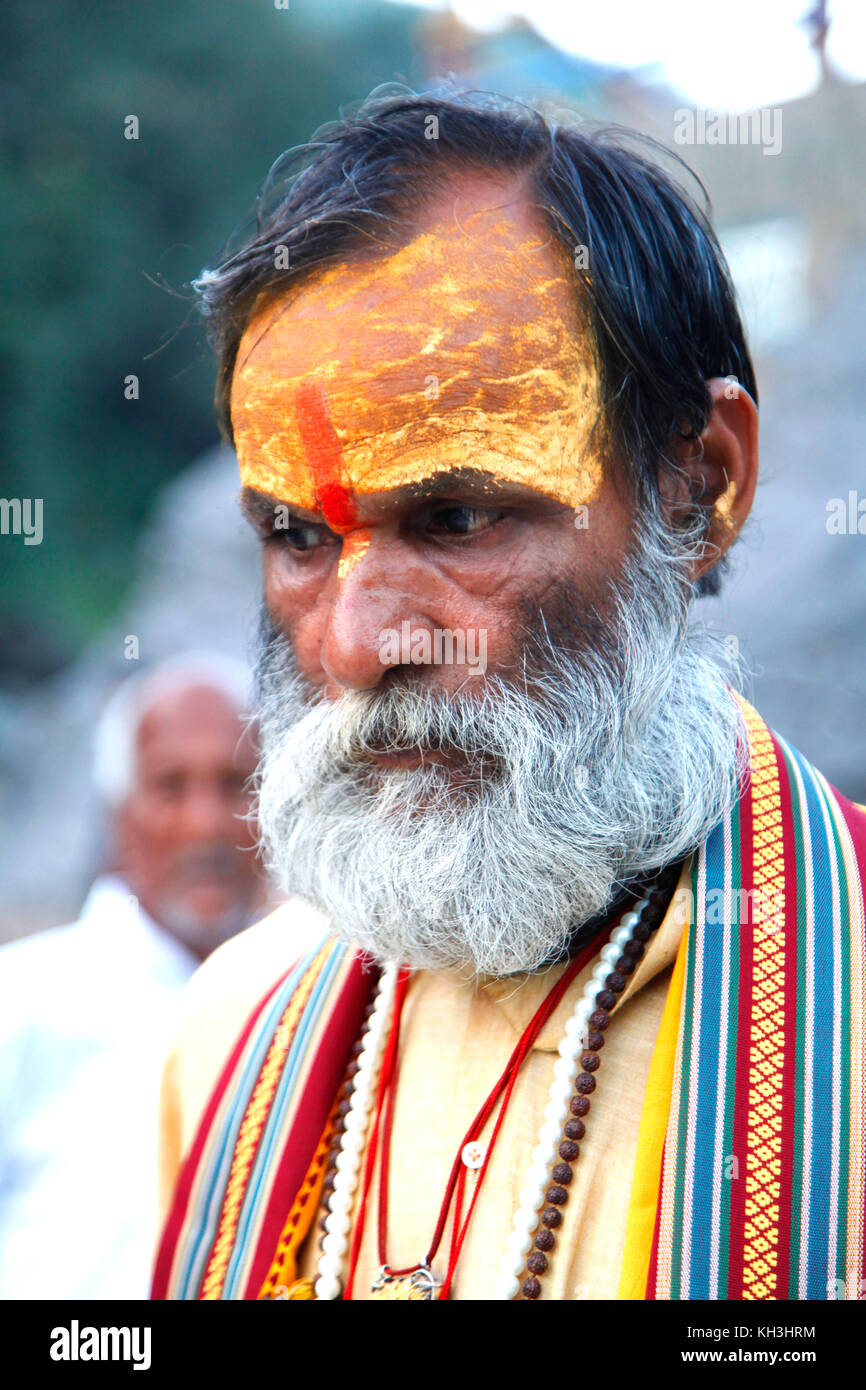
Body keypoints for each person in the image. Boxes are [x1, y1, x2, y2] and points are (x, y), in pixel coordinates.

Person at [152, 93, 866, 1303]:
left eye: (460, 517)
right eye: (296, 536)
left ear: (700, 487)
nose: (363, 643)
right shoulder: (233, 1029)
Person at [0, 654, 269, 1299]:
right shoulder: (25, 1000)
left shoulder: (308, 1007)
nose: (205, 824)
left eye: (235, 785)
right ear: (120, 815)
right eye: (171, 786)